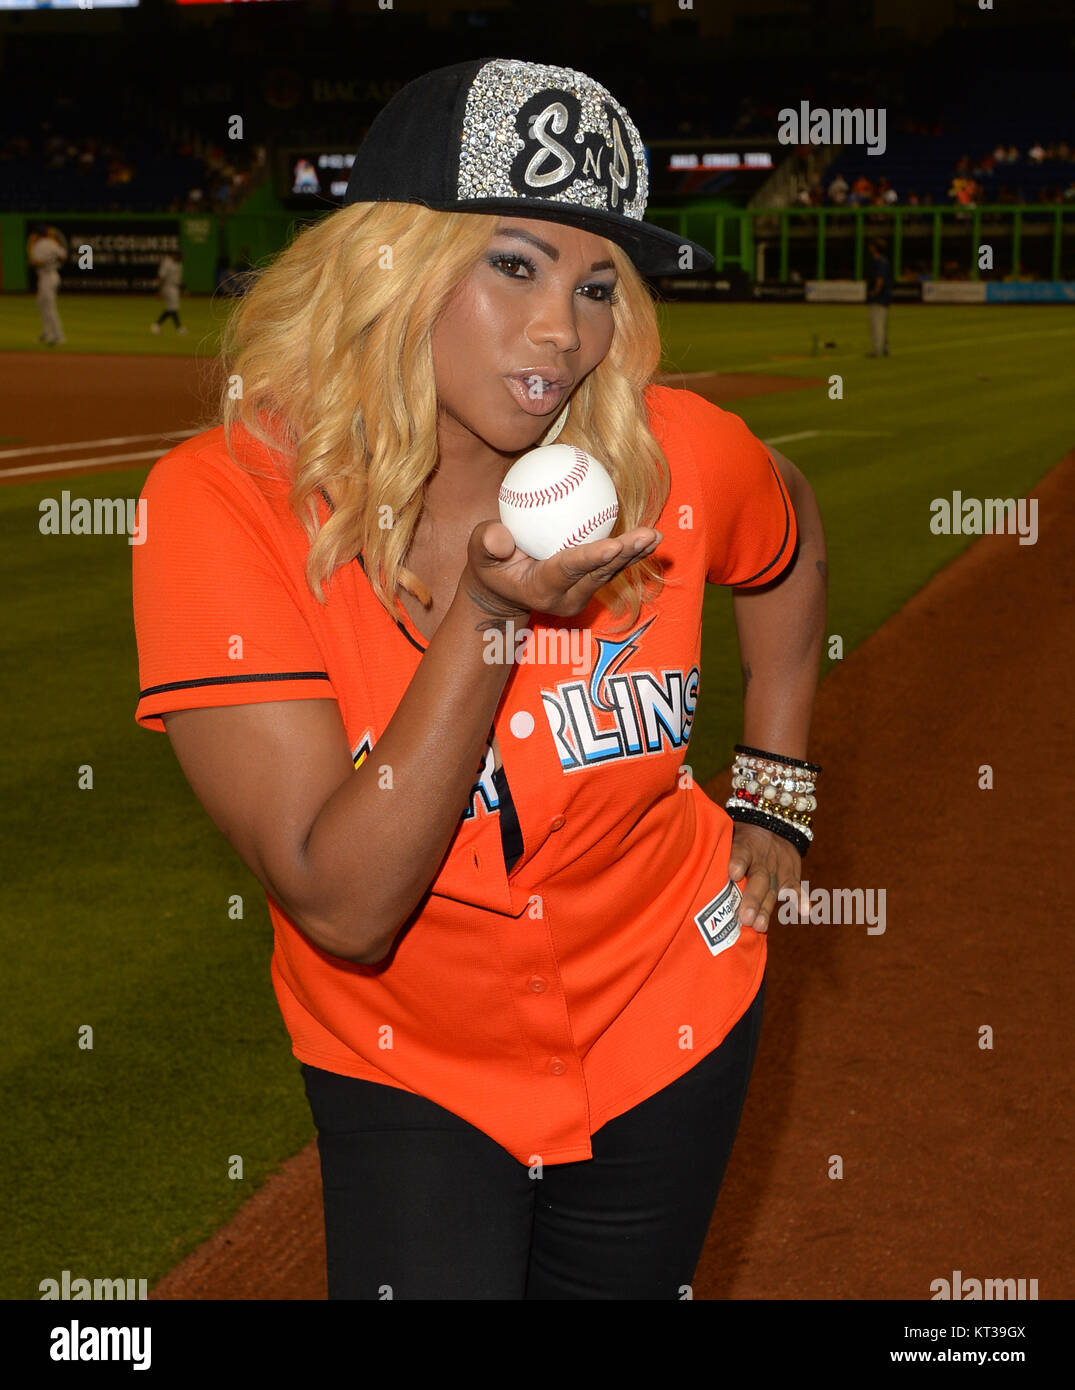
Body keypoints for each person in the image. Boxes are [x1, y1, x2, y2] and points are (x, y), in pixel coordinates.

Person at [132, 57, 826, 1301]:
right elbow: (343, 905)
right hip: (410, 1057)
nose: (566, 327)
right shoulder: (222, 504)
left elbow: (792, 537)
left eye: (598, 284)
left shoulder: (668, 456)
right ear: (389, 262)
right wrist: (489, 621)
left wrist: (776, 786)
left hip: (669, 1014)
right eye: (514, 262)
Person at [28, 223, 66, 345]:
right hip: (53, 275)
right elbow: (63, 256)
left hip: (46, 277)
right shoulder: (53, 243)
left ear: (37, 235)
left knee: (49, 308)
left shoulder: (39, 245)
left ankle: (59, 336)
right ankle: (47, 332)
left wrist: (42, 261)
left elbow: (35, 262)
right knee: (41, 304)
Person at [865, 236, 892, 357]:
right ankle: (884, 348)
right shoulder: (884, 261)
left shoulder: (879, 261)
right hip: (884, 297)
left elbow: (879, 279)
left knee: (877, 324)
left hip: (879, 298)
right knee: (883, 324)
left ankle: (878, 350)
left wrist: (875, 291)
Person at [150, 251, 187, 334]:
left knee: (171, 308)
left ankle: (157, 325)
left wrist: (183, 288)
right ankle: (179, 328)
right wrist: (159, 290)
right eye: (179, 256)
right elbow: (161, 277)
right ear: (174, 255)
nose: (180, 258)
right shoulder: (167, 263)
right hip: (168, 287)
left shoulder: (179, 264)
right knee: (173, 308)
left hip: (175, 287)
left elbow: (178, 278)